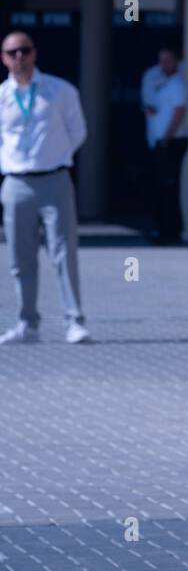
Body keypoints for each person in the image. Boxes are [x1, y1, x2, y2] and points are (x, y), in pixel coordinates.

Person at [0, 31, 89, 345]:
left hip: (54, 180)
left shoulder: (59, 91)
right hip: (15, 183)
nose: (19, 57)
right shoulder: (1, 96)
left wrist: (55, 156)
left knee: (64, 253)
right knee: (19, 258)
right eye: (12, 52)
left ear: (34, 53)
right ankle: (27, 323)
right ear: (4, 58)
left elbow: (77, 131)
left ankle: (74, 321)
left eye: (24, 50)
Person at [140, 47, 188, 243]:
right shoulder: (164, 83)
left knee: (169, 187)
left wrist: (167, 137)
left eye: (168, 59)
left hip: (172, 141)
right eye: (161, 60)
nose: (164, 64)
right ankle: (163, 228)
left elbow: (179, 111)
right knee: (161, 187)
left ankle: (170, 231)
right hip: (162, 141)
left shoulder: (178, 83)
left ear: (176, 61)